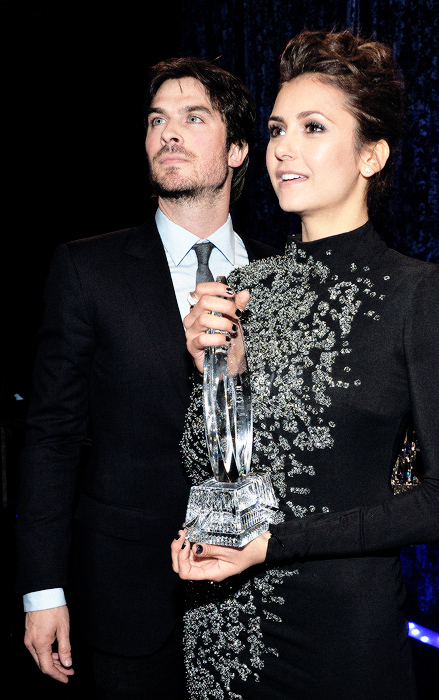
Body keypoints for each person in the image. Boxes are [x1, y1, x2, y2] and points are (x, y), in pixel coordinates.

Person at [171, 30, 439, 699]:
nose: (283, 147)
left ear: (372, 154)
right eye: (280, 128)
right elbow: (224, 467)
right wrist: (224, 382)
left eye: (314, 127)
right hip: (225, 635)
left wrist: (271, 544)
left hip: (339, 645)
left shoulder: (419, 295)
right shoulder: (241, 288)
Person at [16, 57, 276, 698]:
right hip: (128, 596)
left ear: (238, 149)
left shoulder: (282, 278)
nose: (169, 134)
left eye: (194, 118)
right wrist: (42, 591)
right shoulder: (88, 270)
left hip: (266, 595)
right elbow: (50, 438)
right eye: (157, 120)